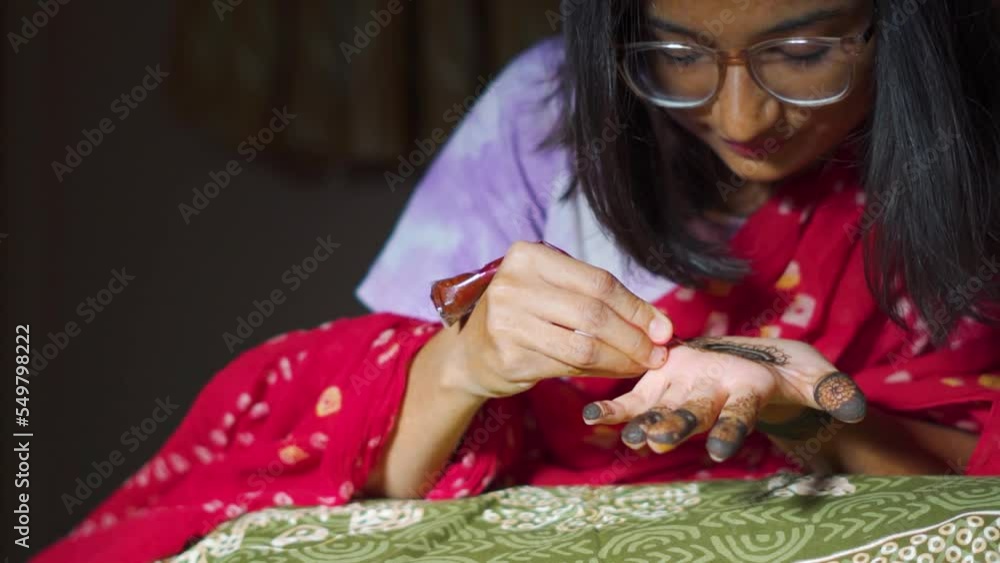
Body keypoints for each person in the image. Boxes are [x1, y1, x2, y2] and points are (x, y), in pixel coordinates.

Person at [36, 1, 1000, 562]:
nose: (742, 113)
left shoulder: (973, 165)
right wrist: (460, 366)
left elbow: (970, 502)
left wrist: (804, 406)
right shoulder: (546, 119)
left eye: (802, 51)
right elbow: (349, 477)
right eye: (677, 53)